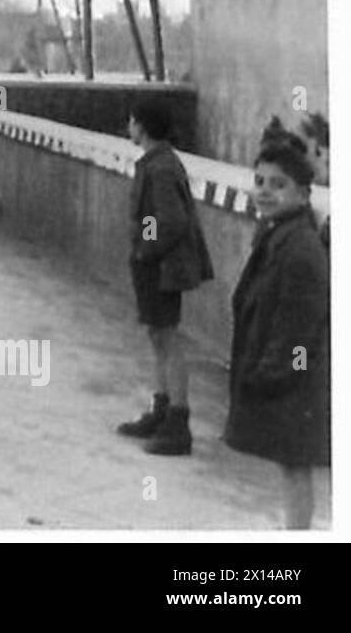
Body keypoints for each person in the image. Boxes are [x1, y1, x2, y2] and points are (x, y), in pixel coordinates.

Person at [225, 137, 329, 528]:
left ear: (303, 194)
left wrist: (273, 372)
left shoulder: (298, 247)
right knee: (291, 464)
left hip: (297, 379)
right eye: (260, 181)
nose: (265, 192)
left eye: (278, 184)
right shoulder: (278, 233)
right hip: (292, 374)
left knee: (296, 465)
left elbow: (300, 325)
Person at [117, 98, 214, 455]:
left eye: (131, 121)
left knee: (168, 339)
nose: (128, 127)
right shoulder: (160, 163)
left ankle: (179, 420)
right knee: (158, 336)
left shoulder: (160, 168)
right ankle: (163, 409)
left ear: (141, 125)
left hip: (162, 267)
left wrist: (145, 248)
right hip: (156, 265)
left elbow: (170, 221)